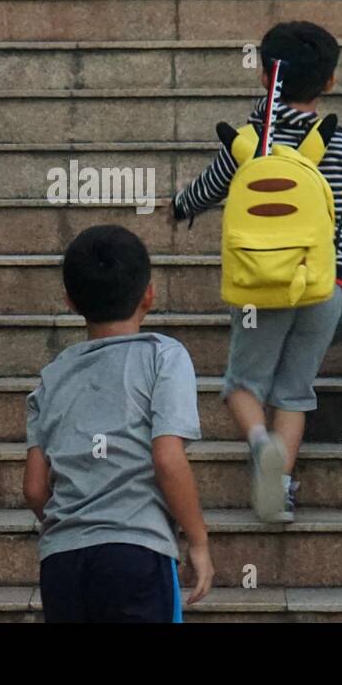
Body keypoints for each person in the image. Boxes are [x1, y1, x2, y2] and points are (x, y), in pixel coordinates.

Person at [171, 21, 342, 522]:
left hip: (255, 286)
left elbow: (203, 192)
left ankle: (258, 441)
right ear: (329, 82)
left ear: (263, 76)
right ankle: (280, 492)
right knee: (294, 390)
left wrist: (178, 207)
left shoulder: (245, 142)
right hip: (322, 283)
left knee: (242, 384)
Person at [24, 224, 214, 622]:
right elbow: (167, 459)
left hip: (62, 563)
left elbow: (35, 488)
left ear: (71, 302)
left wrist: (75, 523)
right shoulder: (164, 357)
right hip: (137, 552)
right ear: (149, 293)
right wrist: (197, 540)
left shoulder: (53, 376)